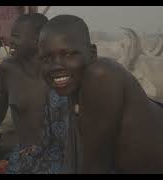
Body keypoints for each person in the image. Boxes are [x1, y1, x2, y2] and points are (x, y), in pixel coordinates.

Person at [38, 14, 163, 173]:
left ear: (92, 52)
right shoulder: (75, 84)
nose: (56, 66)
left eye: (68, 54)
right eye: (46, 58)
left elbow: (95, 167)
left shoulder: (100, 75)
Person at [0, 13, 70, 174]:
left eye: (16, 36)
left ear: (38, 41)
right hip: (23, 157)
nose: (10, 41)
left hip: (59, 158)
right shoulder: (8, 70)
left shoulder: (58, 74)